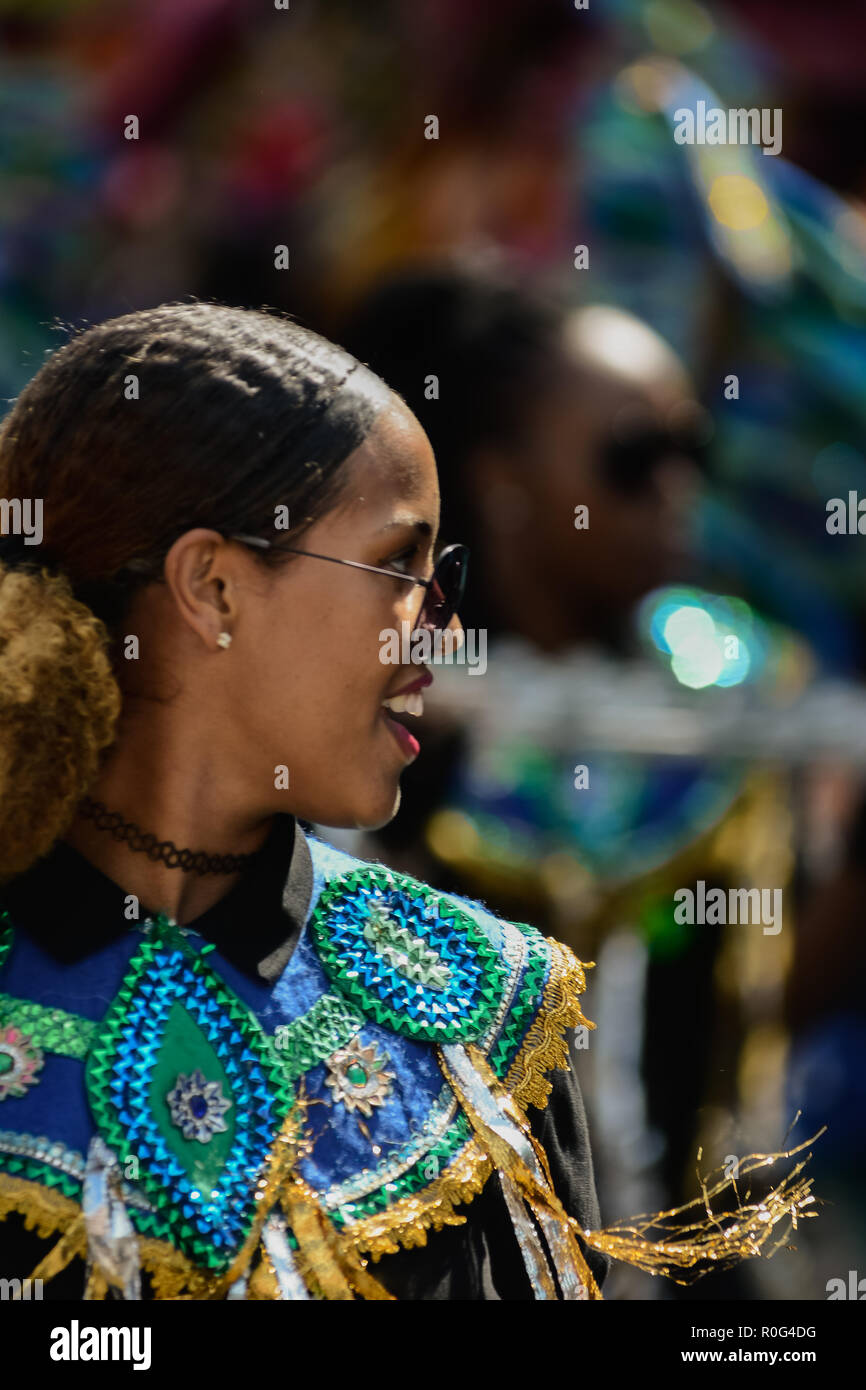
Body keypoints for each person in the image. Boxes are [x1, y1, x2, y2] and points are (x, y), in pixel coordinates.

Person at [0, 301, 814, 1301]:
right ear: (212, 587)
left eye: (444, 575)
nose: (439, 630)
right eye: (397, 567)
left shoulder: (482, 1012)